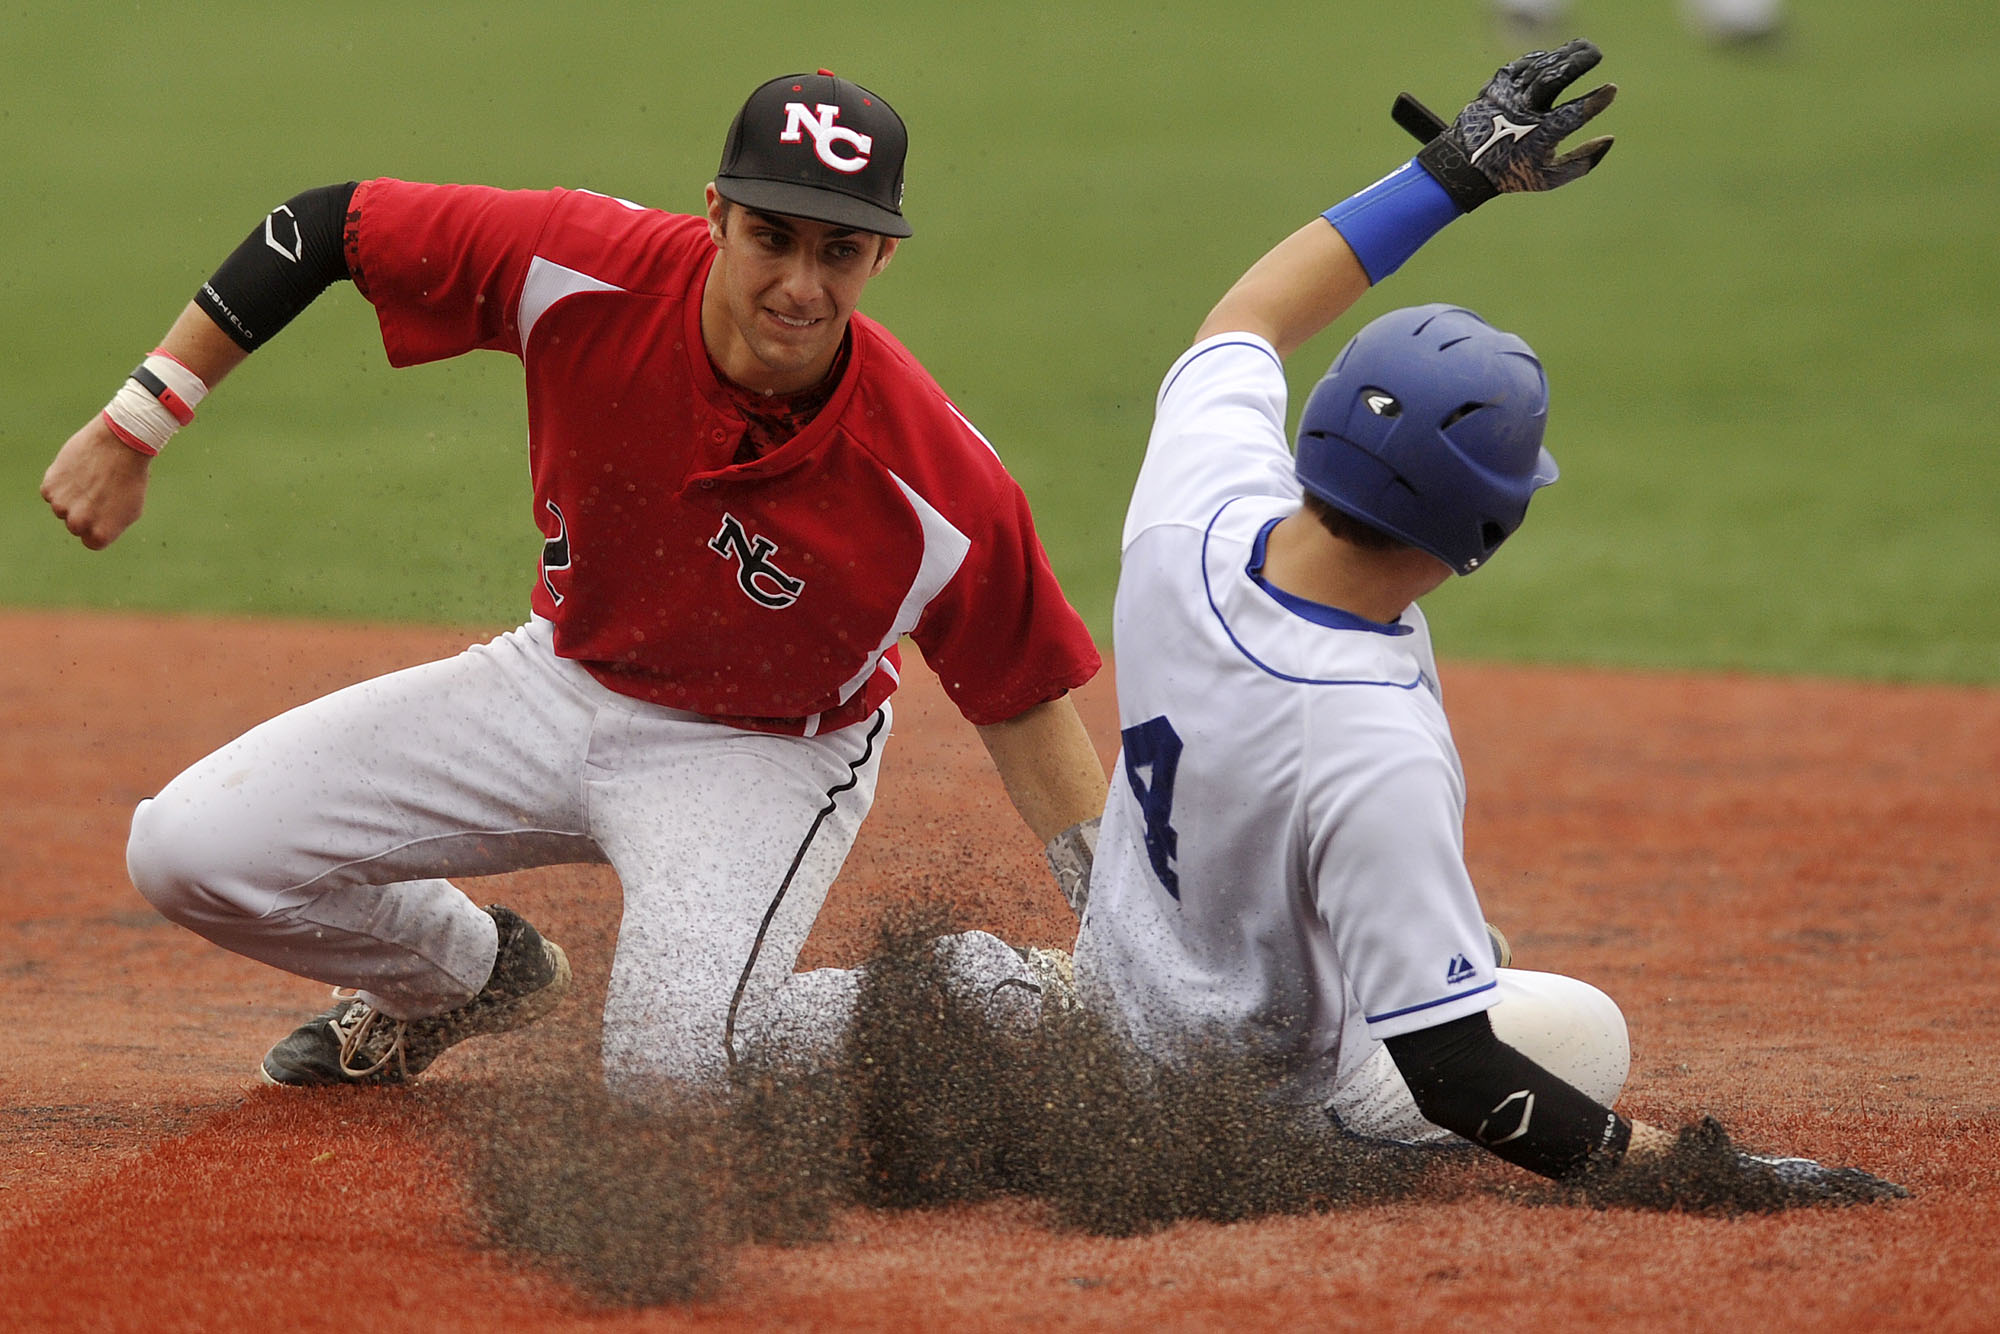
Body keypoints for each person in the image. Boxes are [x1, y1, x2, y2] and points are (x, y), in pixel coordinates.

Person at [42, 70, 1106, 1091]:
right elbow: (327, 225)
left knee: (673, 1075)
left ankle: (1004, 996)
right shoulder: (581, 266)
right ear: (717, 216)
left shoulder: (934, 481)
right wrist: (136, 423)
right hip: (555, 680)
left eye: (839, 250)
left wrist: (1119, 954)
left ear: (880, 258)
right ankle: (462, 975)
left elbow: (1026, 705)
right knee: (188, 848)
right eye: (771, 236)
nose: (798, 282)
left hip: (760, 752)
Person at [1071, 40, 1898, 1197]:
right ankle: (1398, 974)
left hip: (1109, 1010)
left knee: (1374, 916)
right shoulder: (1368, 744)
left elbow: (1248, 315)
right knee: (1581, 1029)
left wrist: (1450, 174)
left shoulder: (1192, 507)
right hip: (1244, 1120)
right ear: (1483, 534)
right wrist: (1723, 1175)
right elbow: (1456, 1076)